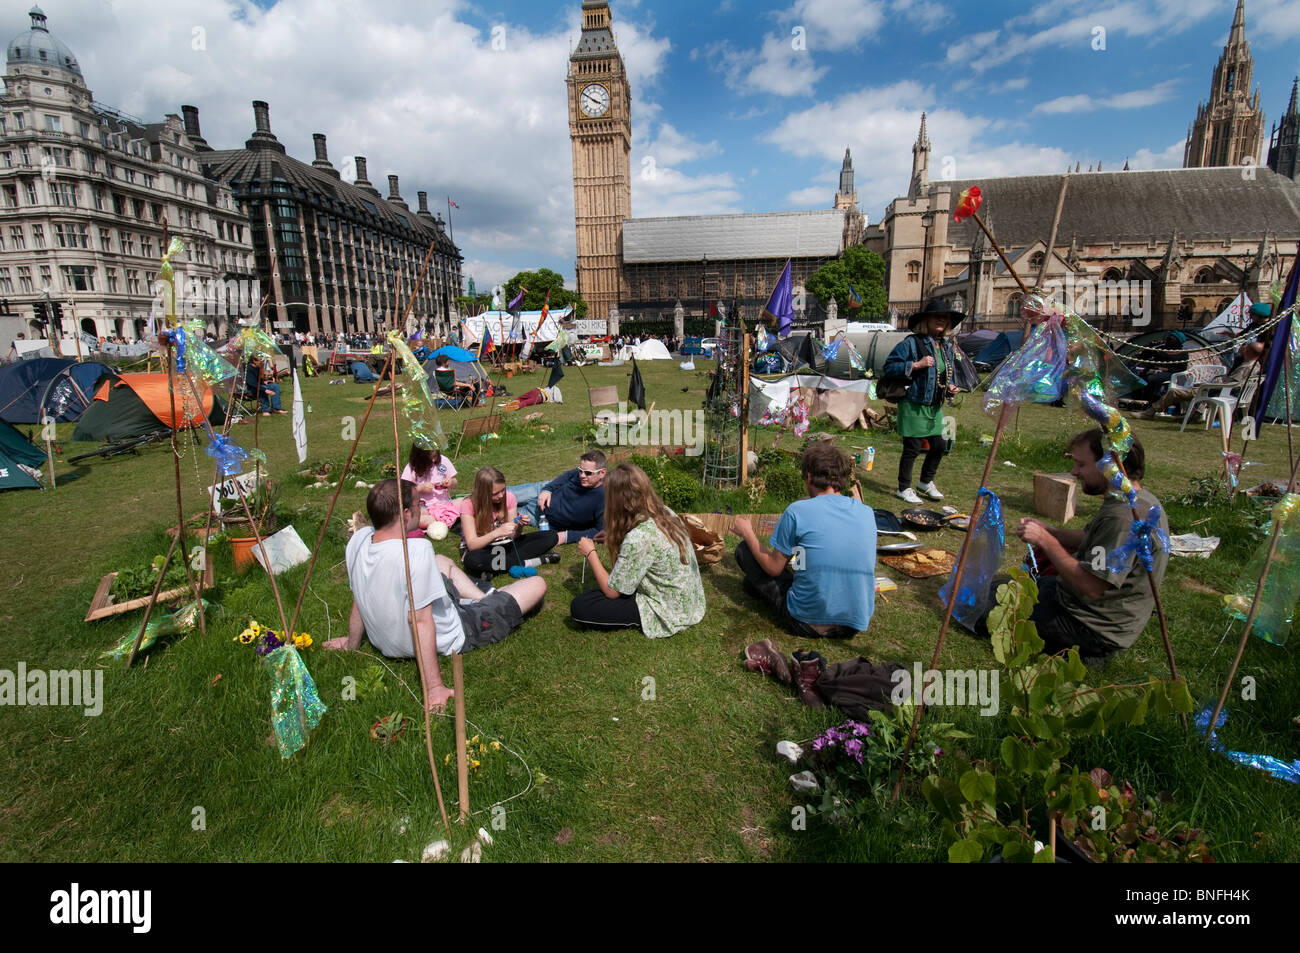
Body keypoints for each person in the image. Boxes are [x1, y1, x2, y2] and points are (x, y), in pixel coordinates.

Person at [327, 479, 546, 711]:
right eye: (417, 504)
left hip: (385, 640)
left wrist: (352, 643)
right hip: (457, 630)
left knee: (441, 562)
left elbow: (358, 597)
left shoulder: (358, 541)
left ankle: (480, 600)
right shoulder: (416, 551)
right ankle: (484, 603)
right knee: (537, 584)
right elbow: (420, 620)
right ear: (405, 513)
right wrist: (434, 688)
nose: (421, 509)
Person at [977, 429, 1168, 664]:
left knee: (977, 608)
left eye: (1081, 464)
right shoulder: (1135, 498)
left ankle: (1088, 654)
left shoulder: (1123, 518)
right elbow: (1089, 538)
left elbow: (1093, 585)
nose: (1073, 472)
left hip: (1090, 625)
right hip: (1078, 603)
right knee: (994, 589)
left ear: (1110, 466)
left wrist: (1046, 541)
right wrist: (1052, 531)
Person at [731, 442, 877, 640]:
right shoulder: (866, 512)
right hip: (852, 625)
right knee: (797, 566)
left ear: (809, 477)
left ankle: (762, 588)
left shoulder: (797, 511)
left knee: (745, 551)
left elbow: (773, 568)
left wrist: (747, 533)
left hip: (805, 622)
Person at [570, 463, 705, 637]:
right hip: (690, 602)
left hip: (668, 610)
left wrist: (590, 553)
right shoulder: (665, 512)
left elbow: (612, 592)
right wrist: (614, 537)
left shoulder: (639, 538)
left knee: (581, 605)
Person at [883, 297, 964, 504]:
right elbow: (889, 367)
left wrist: (950, 387)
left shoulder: (944, 346)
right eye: (937, 317)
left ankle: (925, 482)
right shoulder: (911, 343)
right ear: (926, 320)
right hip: (913, 403)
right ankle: (904, 488)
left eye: (945, 318)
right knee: (913, 447)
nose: (941, 321)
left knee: (939, 444)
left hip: (934, 406)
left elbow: (942, 373)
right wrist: (916, 365)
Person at [459, 466, 560, 577]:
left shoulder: (509, 498)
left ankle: (494, 568)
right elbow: (472, 545)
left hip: (506, 545)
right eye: (495, 493)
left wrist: (519, 526)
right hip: (484, 549)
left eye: (503, 490)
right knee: (472, 559)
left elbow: (513, 536)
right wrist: (497, 532)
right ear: (483, 493)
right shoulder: (468, 505)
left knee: (551, 536)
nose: (501, 495)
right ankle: (535, 561)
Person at [1135, 341, 1265, 419]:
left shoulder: (1246, 366)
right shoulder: (1255, 365)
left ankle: (1149, 412)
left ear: (1248, 351)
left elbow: (1230, 383)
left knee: (1175, 392)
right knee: (1190, 388)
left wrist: (1208, 385)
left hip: (1219, 392)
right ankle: (1192, 415)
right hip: (1225, 392)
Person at [513, 449, 607, 543]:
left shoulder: (604, 498)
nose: (582, 475)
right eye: (580, 470)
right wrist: (548, 489)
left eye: (588, 473)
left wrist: (566, 536)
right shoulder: (581, 474)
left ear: (602, 473)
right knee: (501, 493)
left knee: (503, 512)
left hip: (539, 518)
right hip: (540, 491)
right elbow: (567, 475)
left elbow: (600, 531)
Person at [401, 442, 459, 531]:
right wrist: (420, 488)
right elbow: (404, 492)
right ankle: (444, 519)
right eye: (430, 458)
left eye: (435, 456)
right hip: (423, 508)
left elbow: (455, 483)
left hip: (444, 504)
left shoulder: (444, 461)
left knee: (465, 502)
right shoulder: (411, 468)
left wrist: (451, 482)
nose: (433, 460)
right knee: (422, 518)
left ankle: (440, 520)